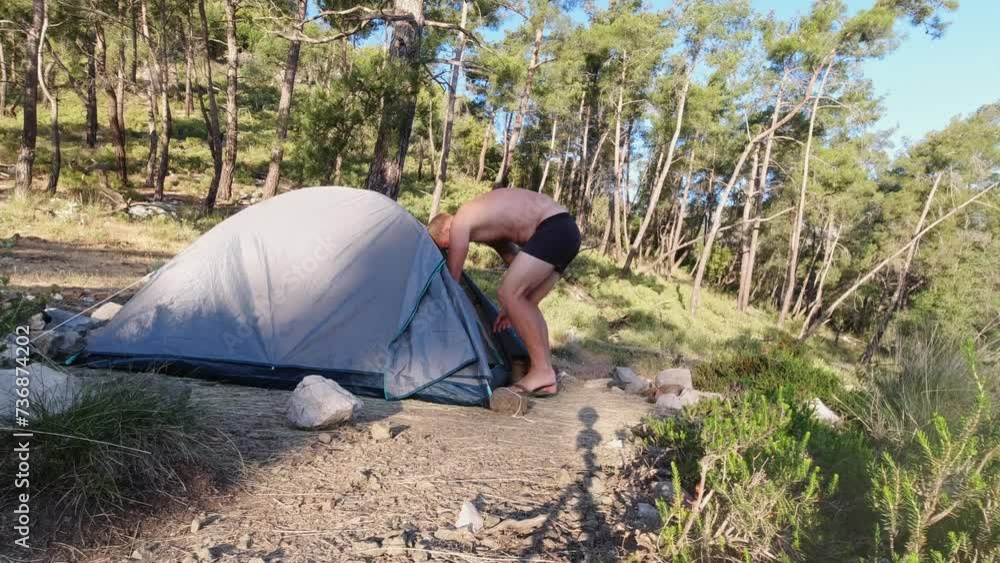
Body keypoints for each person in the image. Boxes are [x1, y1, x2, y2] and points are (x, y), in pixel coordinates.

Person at [427, 188, 581, 414]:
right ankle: (546, 379)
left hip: (553, 228)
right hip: (565, 233)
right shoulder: (487, 228)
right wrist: (512, 307)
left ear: (446, 229)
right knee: (523, 301)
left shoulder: (460, 219)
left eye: (445, 246)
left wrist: (435, 312)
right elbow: (515, 260)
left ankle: (542, 371)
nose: (450, 250)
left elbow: (453, 277)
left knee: (508, 293)